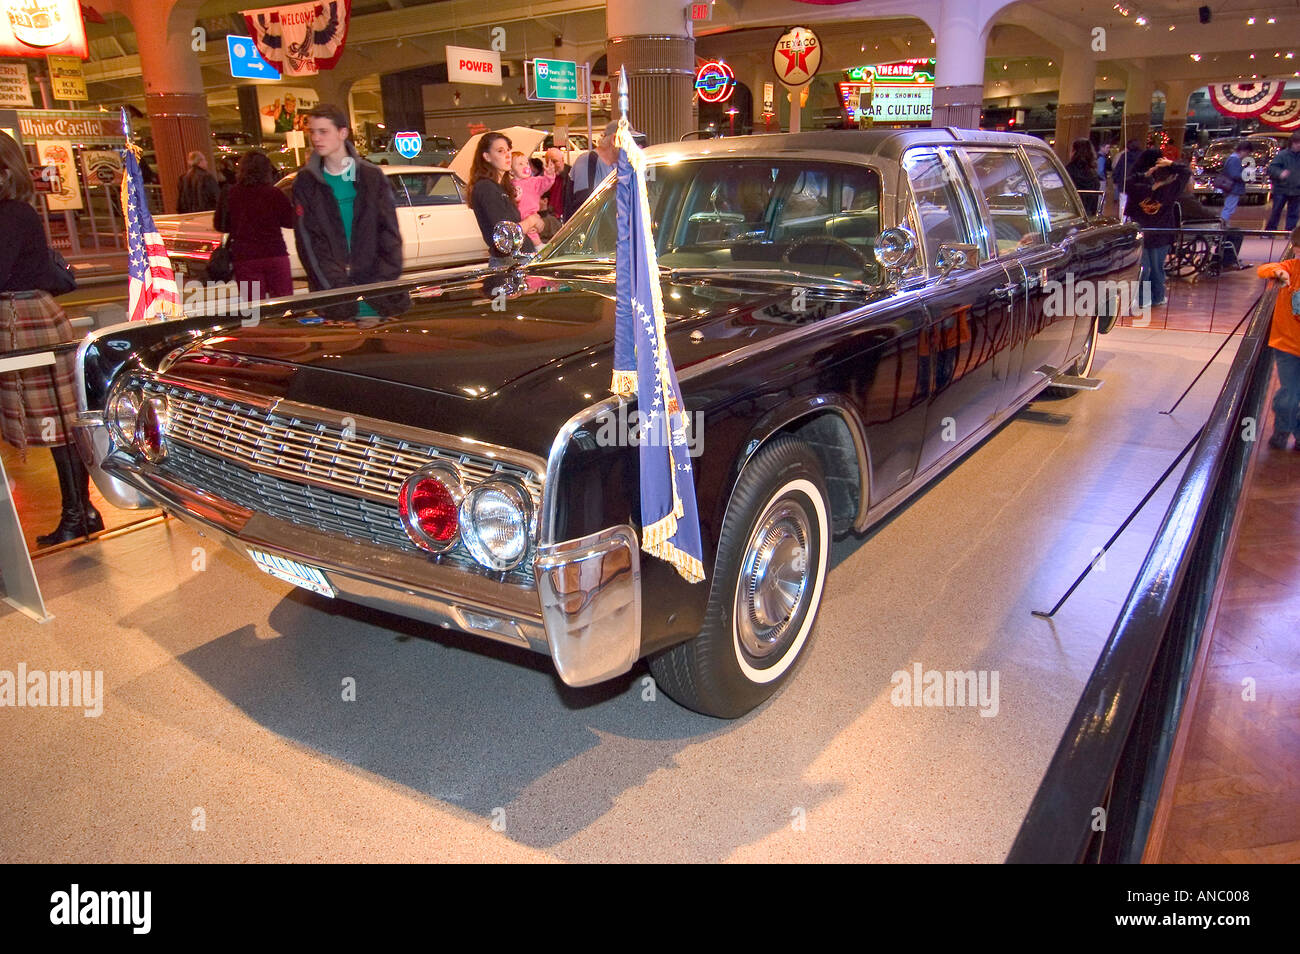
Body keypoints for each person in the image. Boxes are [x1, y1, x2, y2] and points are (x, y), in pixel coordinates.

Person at [0, 131, 101, 545]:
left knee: (59, 423)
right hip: (25, 317)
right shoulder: (14, 212)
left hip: (23, 319)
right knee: (59, 421)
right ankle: (82, 512)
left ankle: (79, 513)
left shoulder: (12, 213)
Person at [291, 103, 404, 308]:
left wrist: (381, 284)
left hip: (377, 295)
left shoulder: (371, 176)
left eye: (323, 131)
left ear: (342, 133)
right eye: (312, 132)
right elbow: (309, 242)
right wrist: (337, 289)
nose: (316, 138)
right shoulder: (305, 182)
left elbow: (389, 234)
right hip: (333, 300)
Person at [214, 150, 295, 300]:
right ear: (266, 170)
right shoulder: (274, 194)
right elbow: (290, 222)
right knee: (283, 303)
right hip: (275, 254)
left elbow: (220, 225)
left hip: (245, 257)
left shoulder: (230, 194)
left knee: (253, 308)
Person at [1124, 149, 1191, 309]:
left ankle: (1143, 299)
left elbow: (1127, 182)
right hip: (1162, 236)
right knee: (1157, 268)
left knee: (1144, 269)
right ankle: (1158, 297)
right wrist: (1171, 164)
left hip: (1144, 235)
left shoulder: (1139, 190)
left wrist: (1146, 173)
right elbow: (1186, 172)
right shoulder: (1170, 191)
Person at [467, 131, 544, 267]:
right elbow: (505, 235)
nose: (508, 155)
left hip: (519, 259)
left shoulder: (503, 187)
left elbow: (514, 226)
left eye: (508, 150)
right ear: (487, 156)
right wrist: (531, 221)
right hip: (508, 264)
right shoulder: (486, 187)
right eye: (500, 151)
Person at [1256, 226, 1300, 449]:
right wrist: (1278, 273)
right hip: (1287, 345)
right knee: (1289, 395)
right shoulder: (1291, 268)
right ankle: (1283, 428)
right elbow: (1265, 269)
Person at [566, 120, 620, 213]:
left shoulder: (617, 165)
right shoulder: (587, 161)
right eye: (628, 141)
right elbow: (584, 207)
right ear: (614, 140)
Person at [510, 150, 556, 251]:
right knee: (531, 233)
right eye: (520, 164)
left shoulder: (534, 182)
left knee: (533, 231)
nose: (525, 166)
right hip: (520, 217)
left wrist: (549, 174)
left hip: (532, 214)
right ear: (511, 171)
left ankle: (538, 245)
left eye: (527, 163)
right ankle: (538, 246)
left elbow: (545, 183)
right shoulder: (510, 185)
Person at [1265, 130, 1300, 233]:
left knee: (1294, 213)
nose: (1299, 145)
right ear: (1292, 143)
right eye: (1297, 143)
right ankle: (1270, 231)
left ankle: (1290, 232)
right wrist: (1280, 173)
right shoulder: (1282, 155)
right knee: (1276, 211)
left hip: (1297, 190)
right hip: (1282, 189)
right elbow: (1271, 169)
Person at [1219, 140, 1252, 227]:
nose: (1247, 155)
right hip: (1233, 188)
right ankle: (1222, 224)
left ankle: (1224, 224)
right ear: (1243, 151)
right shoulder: (1235, 160)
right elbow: (1235, 174)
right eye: (1247, 153)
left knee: (1229, 207)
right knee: (1229, 208)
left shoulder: (1232, 159)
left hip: (1231, 187)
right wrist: (1247, 177)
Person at [1065, 138, 1101, 215]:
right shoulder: (1093, 174)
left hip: (1071, 214)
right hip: (1088, 214)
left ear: (1074, 152)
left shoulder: (1068, 171)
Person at [1111, 138, 1144, 219]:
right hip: (1138, 185)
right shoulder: (1143, 156)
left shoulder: (1124, 156)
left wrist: (1115, 180)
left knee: (1123, 204)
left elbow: (1118, 169)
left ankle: (1123, 221)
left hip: (1124, 184)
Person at [544, 146, 572, 223]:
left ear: (562, 160)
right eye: (547, 162)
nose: (551, 165)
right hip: (549, 218)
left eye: (554, 161)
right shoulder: (544, 177)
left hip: (566, 219)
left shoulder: (572, 176)